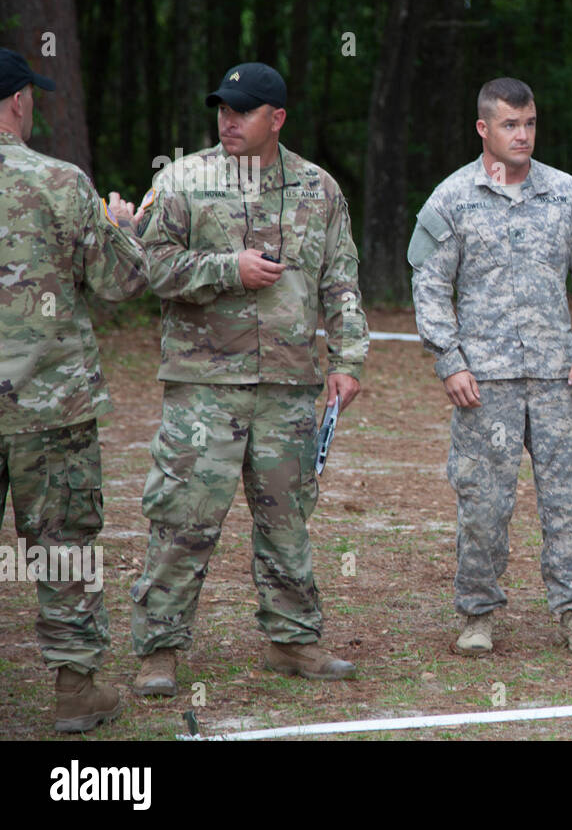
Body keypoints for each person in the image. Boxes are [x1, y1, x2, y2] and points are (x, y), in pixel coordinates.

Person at [131, 62, 368, 695]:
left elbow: (341, 280)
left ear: (277, 118)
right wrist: (226, 269)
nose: (228, 120)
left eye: (243, 111)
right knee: (184, 516)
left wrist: (347, 360)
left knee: (286, 517)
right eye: (223, 109)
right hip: (204, 385)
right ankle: (159, 651)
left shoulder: (319, 188)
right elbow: (150, 269)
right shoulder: (182, 180)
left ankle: (293, 640)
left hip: (288, 385)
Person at [408, 77, 572, 655]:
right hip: (484, 382)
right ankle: (477, 615)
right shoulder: (452, 198)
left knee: (568, 501)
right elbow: (430, 285)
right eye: (509, 125)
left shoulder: (566, 193)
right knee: (483, 503)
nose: (522, 135)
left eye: (529, 124)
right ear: (483, 128)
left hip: (557, 379)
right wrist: (450, 361)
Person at [0, 48, 150, 730]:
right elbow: (122, 281)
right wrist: (122, 227)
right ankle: (74, 691)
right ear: (18, 101)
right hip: (49, 406)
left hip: (47, 405)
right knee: (64, 546)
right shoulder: (61, 182)